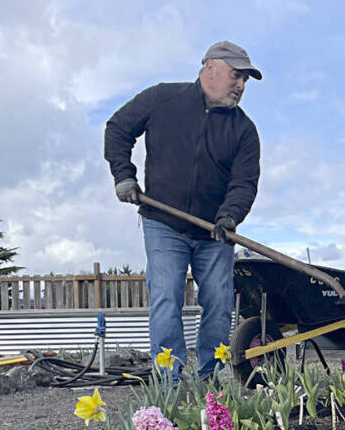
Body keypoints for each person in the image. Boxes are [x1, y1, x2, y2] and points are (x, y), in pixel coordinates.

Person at [104, 41, 262, 382]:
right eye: (236, 76)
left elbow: (244, 183)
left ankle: (213, 376)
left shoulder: (243, 131)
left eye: (245, 81)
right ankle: (168, 380)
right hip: (163, 224)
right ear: (210, 69)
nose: (241, 86)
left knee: (219, 303)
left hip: (214, 231)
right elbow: (118, 128)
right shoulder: (163, 99)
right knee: (165, 297)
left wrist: (229, 217)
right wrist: (124, 176)